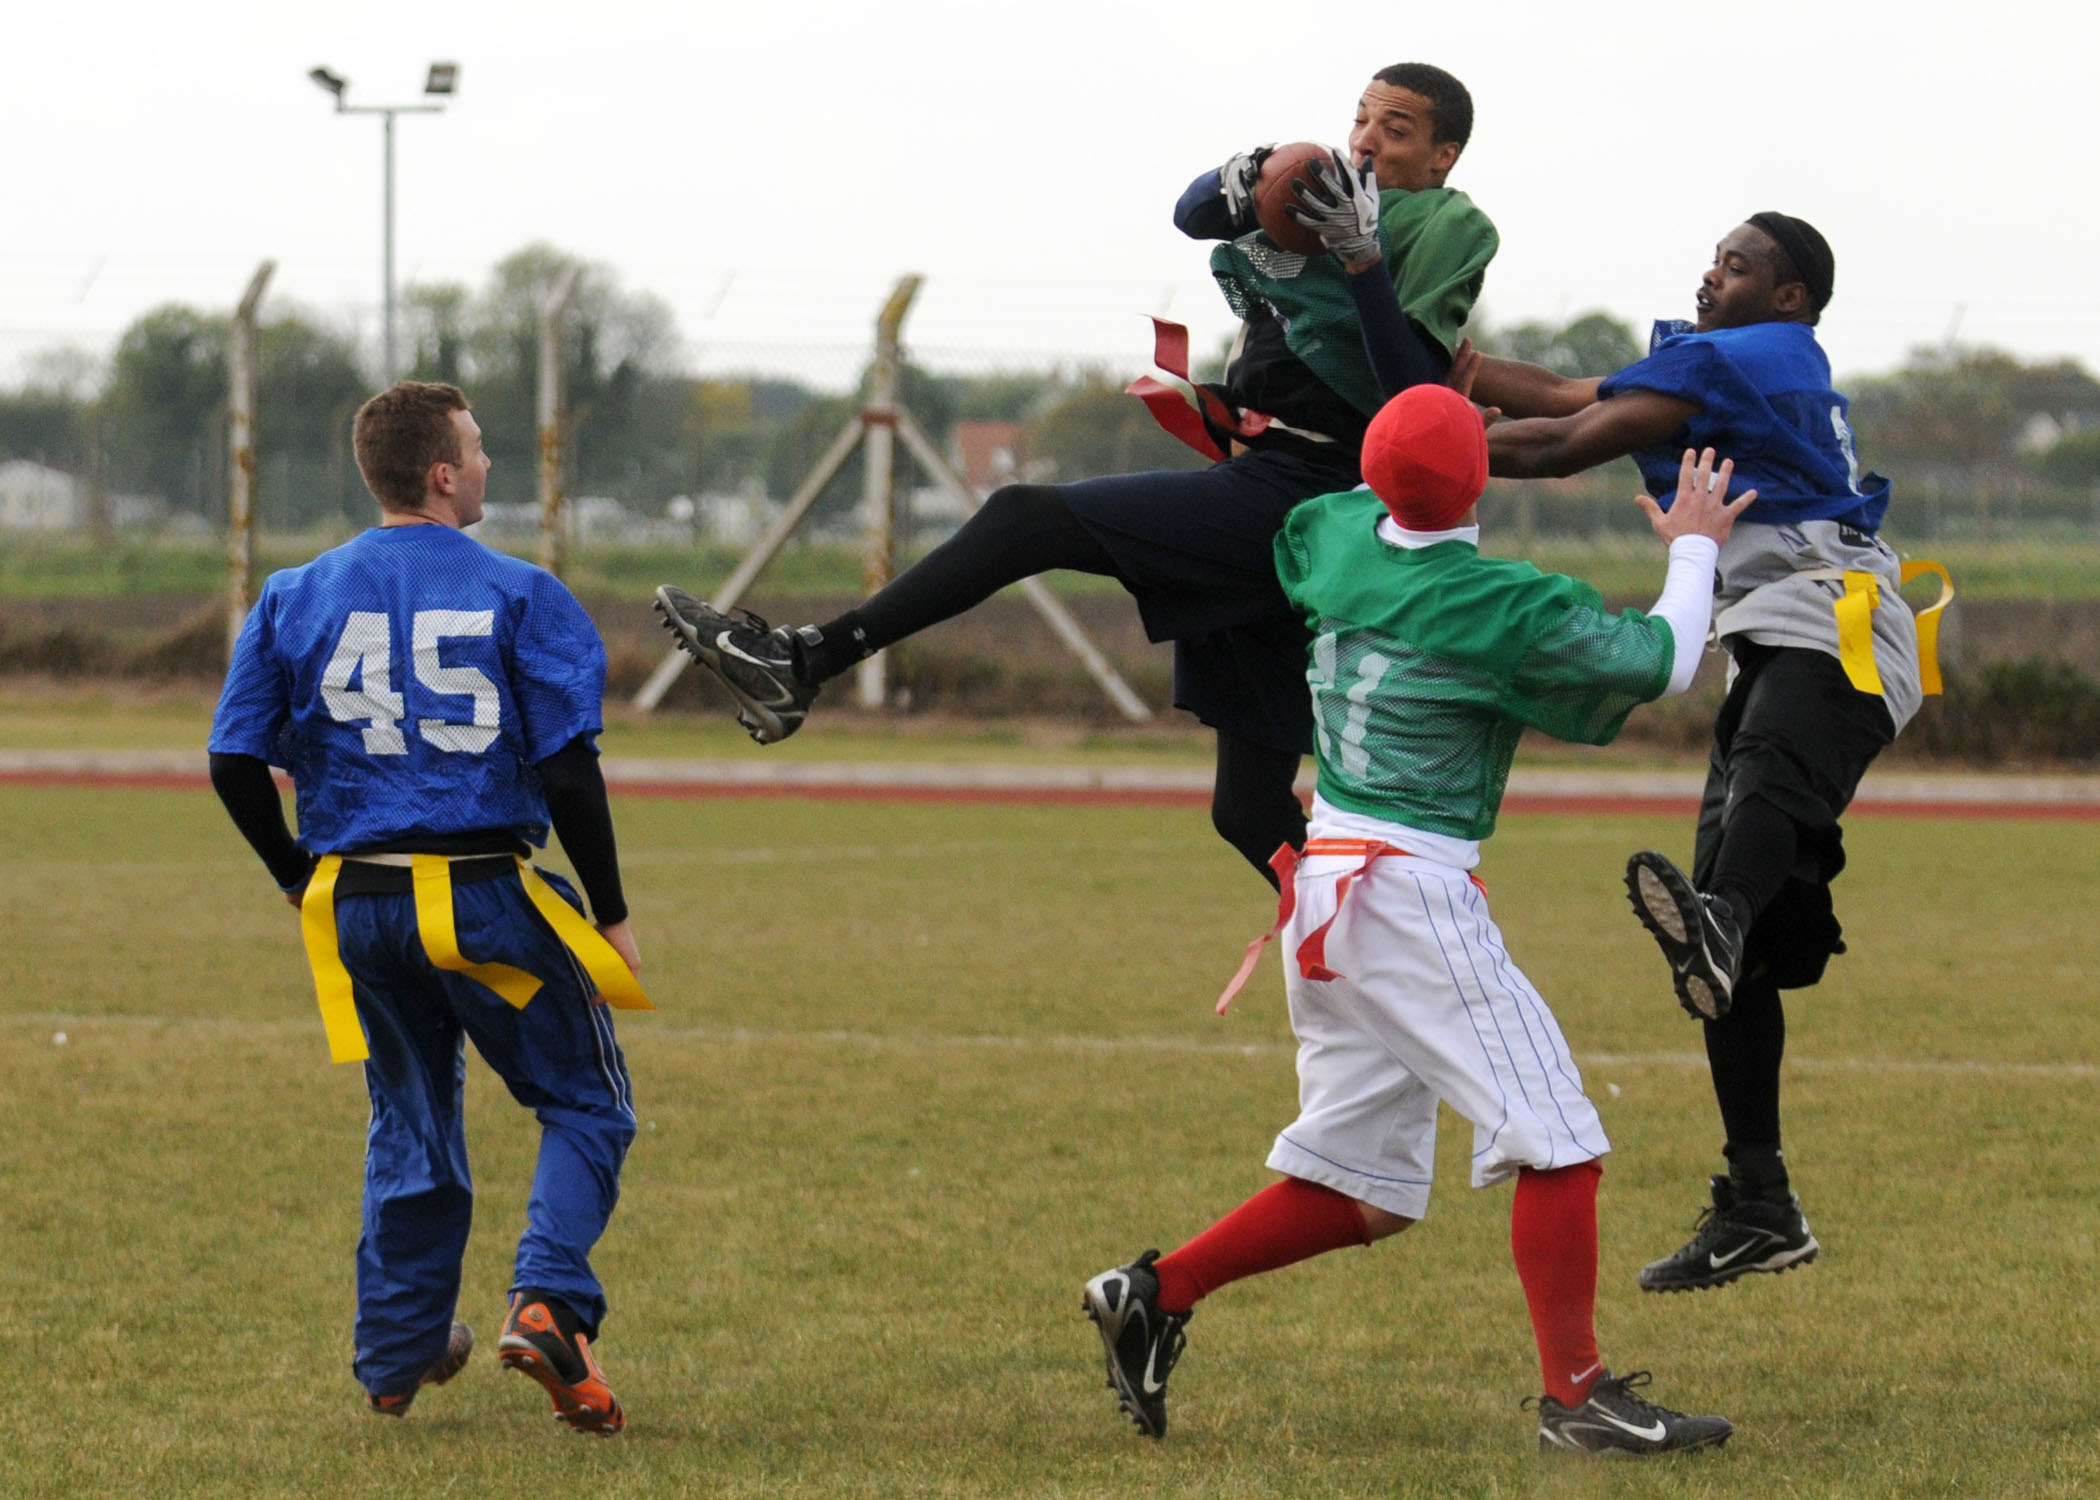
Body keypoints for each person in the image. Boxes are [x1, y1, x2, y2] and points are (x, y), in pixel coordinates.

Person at [1082, 384, 1746, 1455]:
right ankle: (1577, 1399)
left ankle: (1161, 1290)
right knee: (1559, 1137)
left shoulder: (1332, 532)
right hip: (1405, 887)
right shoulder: (1496, 603)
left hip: (1321, 883)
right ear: (1484, 477)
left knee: (1365, 1184)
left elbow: (1332, 520)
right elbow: (1663, 661)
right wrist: (1694, 546)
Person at [656, 62, 1497, 889]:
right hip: (1266, 477)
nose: (1365, 141)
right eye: (1361, 117)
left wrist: (1363, 262)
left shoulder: (1446, 224)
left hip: (1316, 492)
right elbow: (1193, 214)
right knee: (1247, 810)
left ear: (1442, 156)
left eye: (1396, 129)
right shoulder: (1325, 190)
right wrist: (1236, 176)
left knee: (1027, 515)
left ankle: (806, 660)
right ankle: (1411, 947)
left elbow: (1415, 402)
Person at [1468, 214, 1925, 1293]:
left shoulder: (1762, 353)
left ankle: (1719, 922)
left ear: (1792, 298)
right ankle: (1760, 1202)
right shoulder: (1728, 357)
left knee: (1751, 817)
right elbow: (1577, 400)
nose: (1712, 273)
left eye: (1739, 264)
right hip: (1776, 632)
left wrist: (1397, 449)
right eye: (1715, 258)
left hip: (1837, 618)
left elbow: (1556, 445)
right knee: (1734, 958)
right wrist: (1464, 376)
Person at [207, 381, 651, 1433]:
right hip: (483, 892)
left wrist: (289, 874)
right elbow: (569, 771)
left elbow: (233, 761)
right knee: (587, 1101)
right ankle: (546, 1301)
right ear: (443, 473)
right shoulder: (520, 591)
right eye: (480, 448)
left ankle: (400, 1352)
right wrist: (612, 908)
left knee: (408, 1118)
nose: (491, 464)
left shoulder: (294, 592)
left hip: (357, 902)